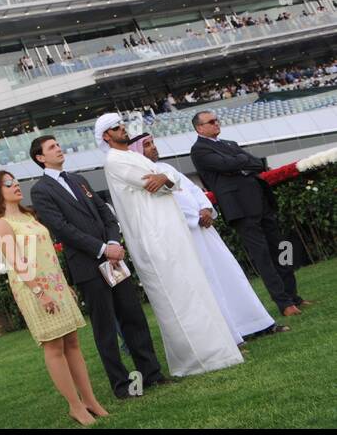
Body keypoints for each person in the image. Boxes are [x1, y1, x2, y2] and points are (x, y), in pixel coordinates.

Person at [96, 114, 243, 377]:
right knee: (177, 295)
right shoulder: (114, 161)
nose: (122, 129)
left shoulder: (135, 156)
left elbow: (167, 180)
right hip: (152, 237)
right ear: (106, 136)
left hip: (171, 230)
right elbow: (152, 183)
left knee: (195, 287)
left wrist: (164, 178)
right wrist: (164, 179)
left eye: (122, 125)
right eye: (116, 128)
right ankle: (197, 359)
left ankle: (218, 349)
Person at [28, 135, 165, 399]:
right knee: (105, 330)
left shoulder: (79, 180)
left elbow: (105, 213)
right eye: (52, 147)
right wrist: (102, 249)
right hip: (88, 267)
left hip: (113, 261)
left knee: (133, 317)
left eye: (59, 144)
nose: (59, 148)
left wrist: (113, 241)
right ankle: (123, 386)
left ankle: (152, 375)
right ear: (40, 157)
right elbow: (62, 229)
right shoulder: (41, 190)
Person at [132, 133, 282, 341]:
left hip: (205, 230)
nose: (153, 148)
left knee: (231, 276)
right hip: (187, 237)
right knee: (211, 284)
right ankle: (233, 334)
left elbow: (193, 190)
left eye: (153, 143)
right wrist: (196, 218)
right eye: (147, 145)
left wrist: (205, 210)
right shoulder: (142, 177)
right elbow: (165, 207)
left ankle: (258, 323)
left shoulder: (167, 168)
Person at [0, 170, 106, 426]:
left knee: (73, 342)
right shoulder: (1, 223)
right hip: (33, 289)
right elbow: (17, 262)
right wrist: (40, 292)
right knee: (54, 347)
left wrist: (63, 284)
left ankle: (90, 400)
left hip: (56, 284)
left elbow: (46, 253)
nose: (16, 185)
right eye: (9, 183)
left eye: (16, 180)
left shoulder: (29, 215)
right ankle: (75, 406)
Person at [189, 111, 308, 318]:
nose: (217, 123)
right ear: (199, 128)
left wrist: (239, 161)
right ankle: (284, 303)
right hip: (241, 210)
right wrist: (240, 161)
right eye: (211, 122)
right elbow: (229, 165)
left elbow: (257, 163)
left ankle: (294, 296)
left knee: (282, 248)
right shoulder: (199, 150)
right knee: (262, 257)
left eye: (217, 119)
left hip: (262, 203)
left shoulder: (229, 144)